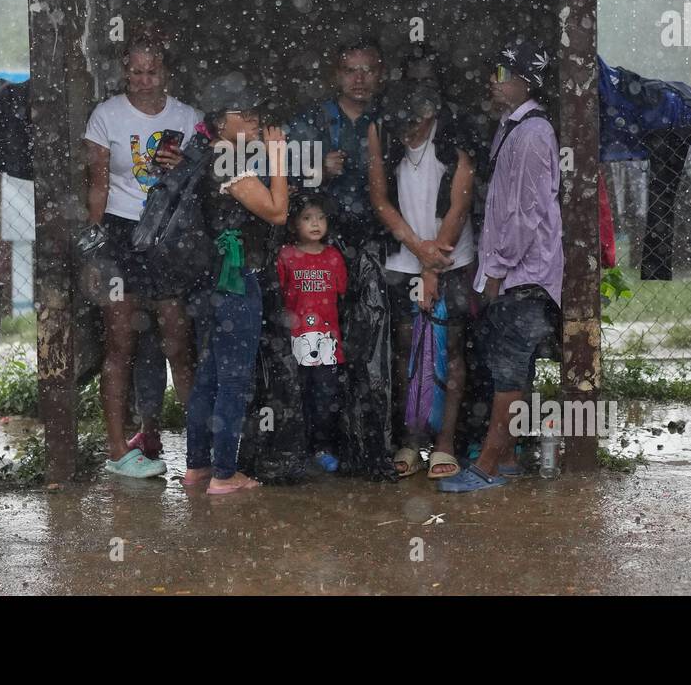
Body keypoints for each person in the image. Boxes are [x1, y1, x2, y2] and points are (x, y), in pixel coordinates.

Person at [440, 40, 563, 493]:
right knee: (510, 366)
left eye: (499, 73)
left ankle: (488, 465)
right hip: (514, 274)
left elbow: (524, 213)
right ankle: (508, 456)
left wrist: (495, 272)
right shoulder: (512, 128)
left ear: (523, 81)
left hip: (523, 278)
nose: (492, 83)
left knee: (510, 370)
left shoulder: (532, 134)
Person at [82, 35, 201, 479]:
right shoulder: (106, 116)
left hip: (169, 238)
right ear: (123, 71)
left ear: (165, 72)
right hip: (120, 235)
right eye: (135, 71)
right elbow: (98, 186)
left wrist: (182, 166)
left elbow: (199, 184)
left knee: (179, 347)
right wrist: (95, 251)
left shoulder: (187, 118)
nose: (143, 80)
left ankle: (199, 451)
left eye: (152, 71)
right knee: (119, 346)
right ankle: (118, 453)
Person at [367, 60, 476, 481]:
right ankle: (410, 440)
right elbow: (379, 198)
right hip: (403, 258)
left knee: (450, 351)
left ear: (430, 114)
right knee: (405, 350)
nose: (405, 136)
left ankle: (444, 443)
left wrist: (433, 266)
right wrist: (417, 251)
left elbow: (460, 205)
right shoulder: (382, 128)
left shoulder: (455, 131)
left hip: (451, 258)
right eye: (399, 128)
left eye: (413, 126)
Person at [183, 72, 290, 495]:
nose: (254, 119)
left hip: (209, 282)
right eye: (242, 113)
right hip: (234, 280)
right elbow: (278, 213)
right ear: (220, 121)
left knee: (209, 375)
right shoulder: (228, 163)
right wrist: (278, 158)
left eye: (255, 111)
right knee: (232, 380)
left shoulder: (201, 155)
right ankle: (225, 475)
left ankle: (197, 468)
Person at [285, 44, 384, 252]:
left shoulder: (391, 120)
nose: (359, 80)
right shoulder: (313, 118)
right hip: (322, 241)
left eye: (367, 71)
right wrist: (319, 170)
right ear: (337, 75)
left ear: (380, 74)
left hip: (383, 239)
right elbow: (284, 178)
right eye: (350, 71)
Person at [276, 192, 349, 473]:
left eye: (320, 218)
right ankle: (301, 448)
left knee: (326, 398)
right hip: (296, 342)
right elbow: (280, 298)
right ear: (294, 224)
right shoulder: (286, 256)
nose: (315, 224)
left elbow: (342, 294)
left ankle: (323, 447)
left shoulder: (334, 257)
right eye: (307, 218)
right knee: (299, 396)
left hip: (328, 344)